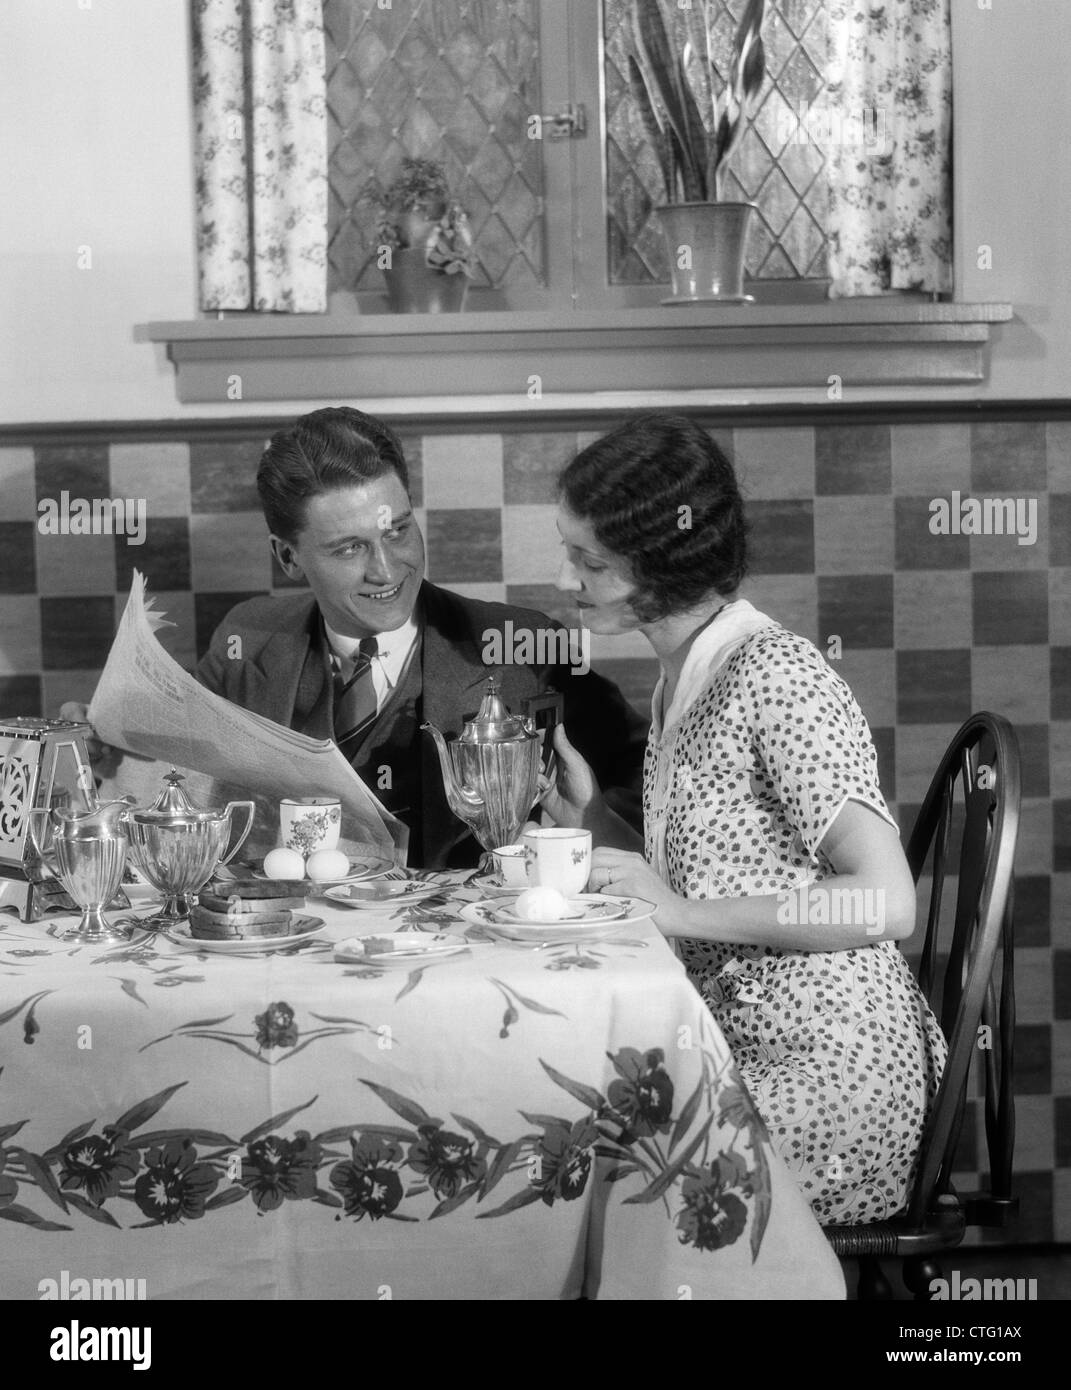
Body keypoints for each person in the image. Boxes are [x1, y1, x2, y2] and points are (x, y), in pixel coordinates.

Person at [540, 412, 946, 1224]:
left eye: (589, 561)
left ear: (664, 562)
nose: (566, 582)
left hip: (833, 1071)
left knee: (585, 1183)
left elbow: (885, 902)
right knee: (554, 1149)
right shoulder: (685, 672)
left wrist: (681, 914)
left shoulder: (776, 675)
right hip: (745, 1046)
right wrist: (595, 824)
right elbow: (717, 870)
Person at [65, 407, 648, 868]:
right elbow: (180, 774)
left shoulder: (521, 646)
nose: (387, 569)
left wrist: (573, 830)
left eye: (398, 531)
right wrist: (106, 749)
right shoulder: (248, 639)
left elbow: (643, 789)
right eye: (350, 548)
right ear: (288, 558)